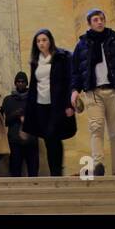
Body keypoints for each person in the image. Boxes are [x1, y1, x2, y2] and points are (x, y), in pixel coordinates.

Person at [70, 8, 115, 177]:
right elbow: (76, 71)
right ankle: (98, 164)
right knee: (96, 128)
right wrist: (74, 91)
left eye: (101, 19)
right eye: (95, 19)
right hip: (93, 92)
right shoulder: (82, 45)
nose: (99, 22)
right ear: (89, 23)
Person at [22, 28, 76, 177]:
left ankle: (56, 172)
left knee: (54, 136)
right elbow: (33, 85)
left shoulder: (61, 57)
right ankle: (55, 172)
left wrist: (69, 104)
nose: (41, 43)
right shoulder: (35, 61)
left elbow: (68, 81)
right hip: (40, 105)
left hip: (57, 104)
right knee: (47, 139)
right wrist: (28, 111)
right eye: (38, 41)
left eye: (44, 40)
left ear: (50, 40)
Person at [1, 71, 37, 177]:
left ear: (26, 83)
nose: (20, 84)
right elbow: (6, 121)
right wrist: (16, 114)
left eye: (23, 82)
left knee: (33, 170)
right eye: (18, 82)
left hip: (31, 139)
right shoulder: (8, 100)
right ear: (15, 83)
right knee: (15, 170)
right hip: (14, 139)